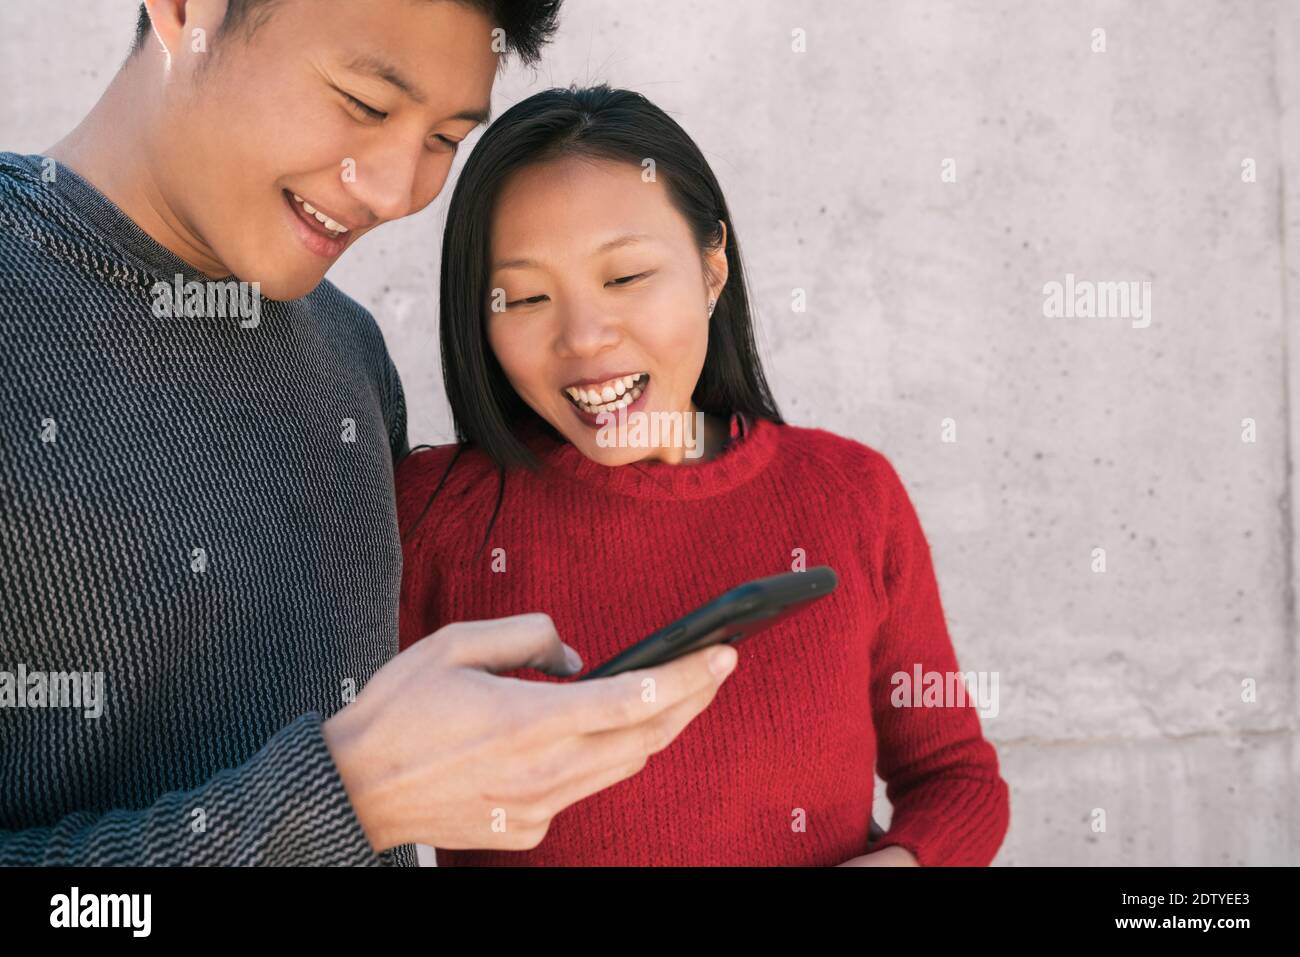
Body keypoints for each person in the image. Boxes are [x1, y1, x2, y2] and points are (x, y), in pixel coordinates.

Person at [0, 0, 738, 866]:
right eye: (364, 103)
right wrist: (351, 799)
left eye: (444, 139)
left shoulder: (350, 353)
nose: (396, 192)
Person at [397, 84, 1012, 866]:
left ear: (712, 268)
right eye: (524, 296)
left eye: (624, 278)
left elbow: (954, 777)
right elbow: (339, 795)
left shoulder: (851, 494)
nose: (584, 338)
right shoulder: (432, 517)